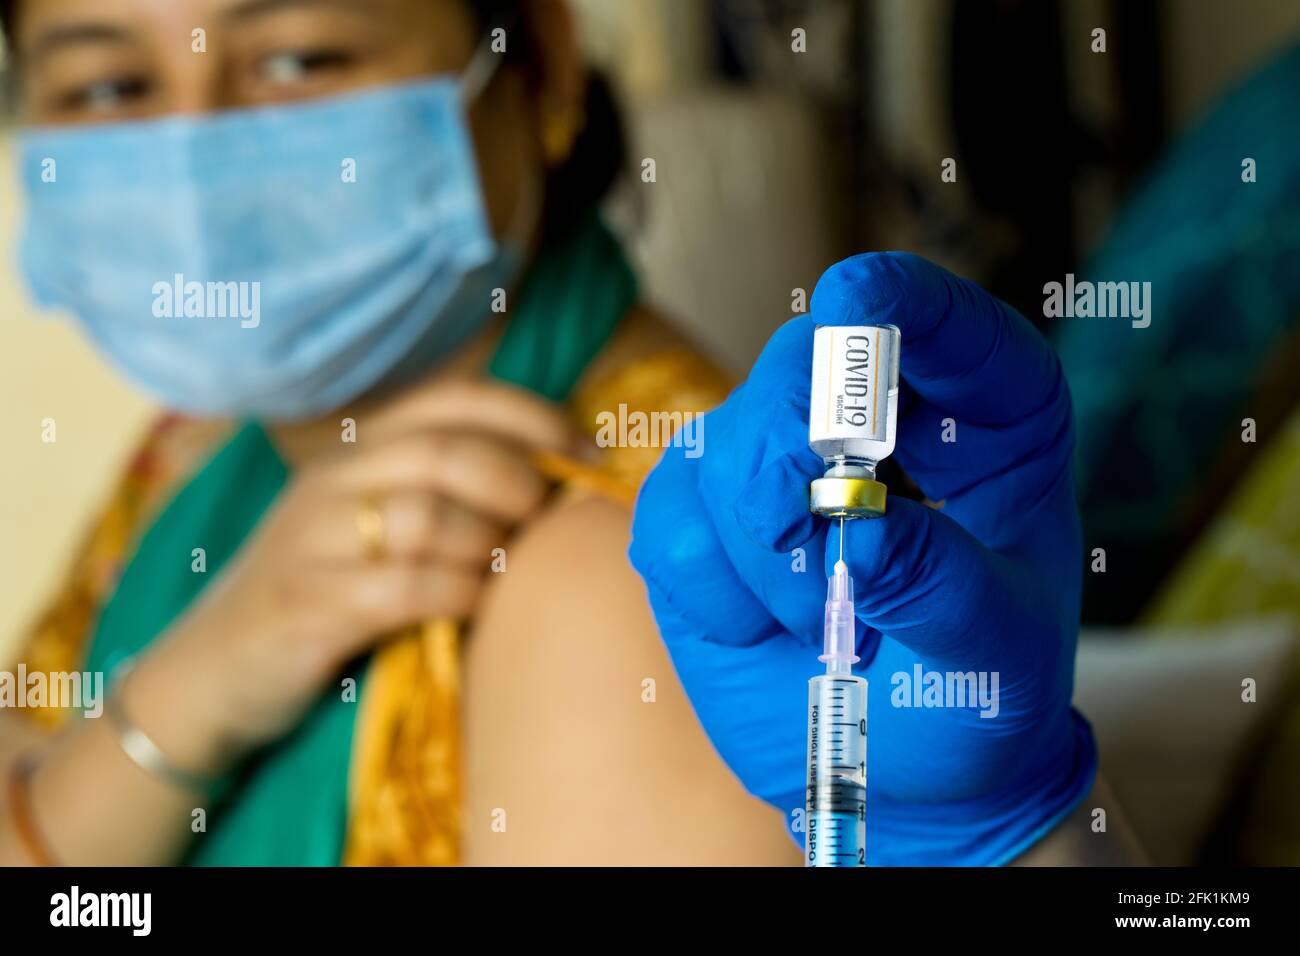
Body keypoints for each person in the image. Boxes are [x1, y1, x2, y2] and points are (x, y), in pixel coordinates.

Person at [0, 0, 796, 866]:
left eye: (300, 61)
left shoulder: (632, 565)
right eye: (111, 86)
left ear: (540, 65)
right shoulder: (192, 457)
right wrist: (190, 693)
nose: (196, 153)